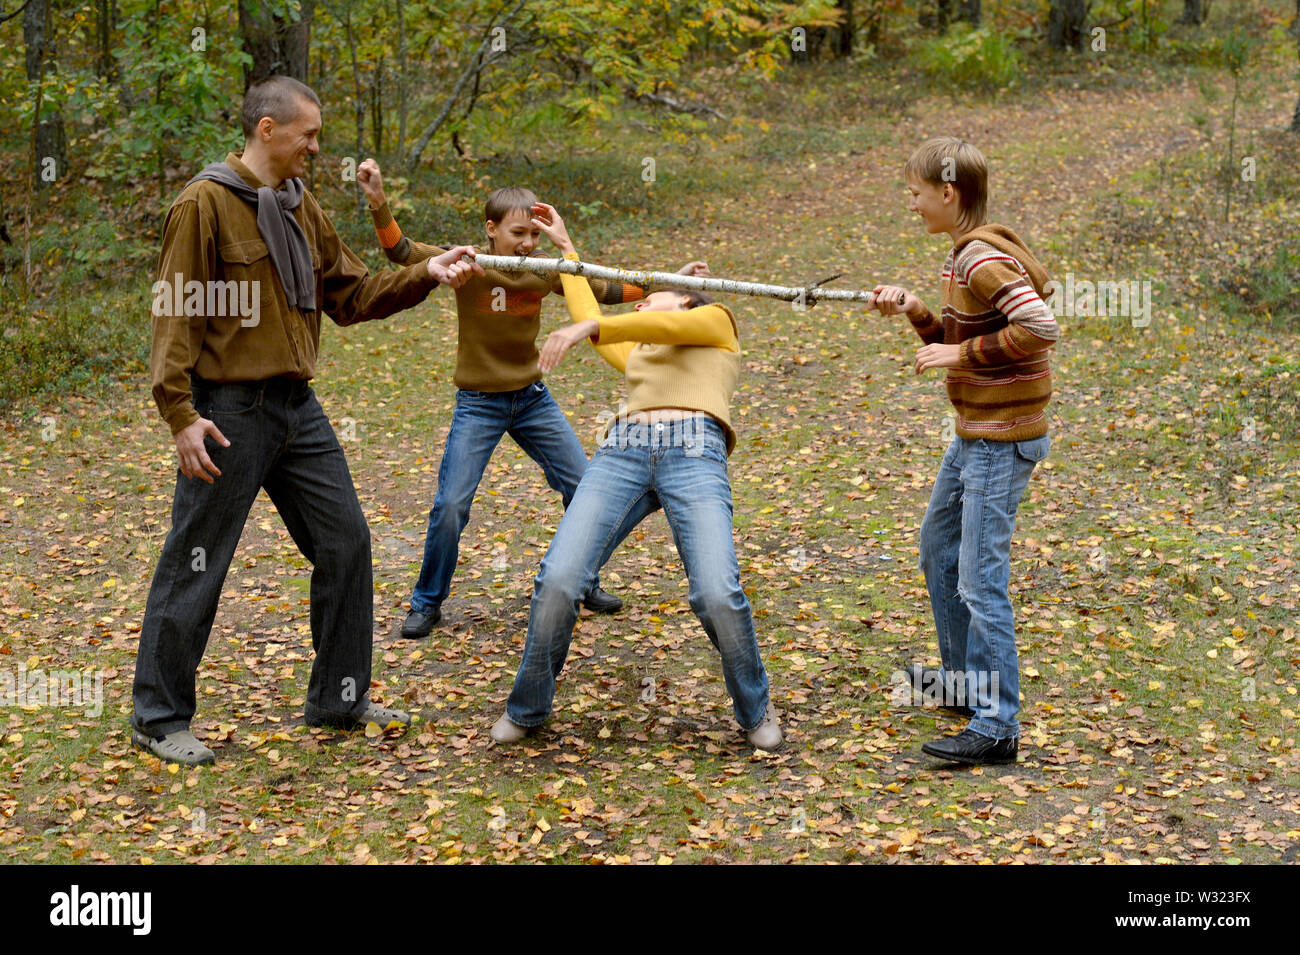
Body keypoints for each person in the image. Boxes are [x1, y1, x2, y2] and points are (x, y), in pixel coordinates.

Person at [131, 76, 484, 766]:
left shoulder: (299, 206)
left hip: (297, 409)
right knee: (196, 560)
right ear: (268, 130)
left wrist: (428, 272)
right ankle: (158, 716)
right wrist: (178, 414)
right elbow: (174, 312)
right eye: (308, 135)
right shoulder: (203, 205)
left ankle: (339, 698)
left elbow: (349, 295)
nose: (316, 148)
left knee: (346, 540)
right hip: (228, 412)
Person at [353, 161, 707, 638]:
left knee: (584, 489)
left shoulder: (543, 271)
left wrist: (667, 281)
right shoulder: (468, 263)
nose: (528, 244)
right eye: (519, 233)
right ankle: (427, 601)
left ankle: (580, 580)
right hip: (479, 402)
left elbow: (603, 286)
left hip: (531, 398)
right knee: (452, 505)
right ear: (491, 230)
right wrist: (378, 200)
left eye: (536, 235)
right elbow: (401, 251)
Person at [489, 202, 782, 751]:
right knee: (559, 580)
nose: (644, 301)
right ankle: (528, 708)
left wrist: (599, 322)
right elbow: (589, 311)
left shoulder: (715, 324)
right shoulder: (640, 353)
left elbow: (653, 320)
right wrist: (567, 249)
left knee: (716, 593)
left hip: (694, 451)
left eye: (656, 294)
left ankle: (755, 707)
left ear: (688, 296)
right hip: (623, 451)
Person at [871, 137, 1060, 766]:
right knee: (937, 545)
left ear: (948, 193)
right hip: (975, 431)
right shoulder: (962, 259)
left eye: (917, 193)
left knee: (980, 578)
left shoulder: (980, 259)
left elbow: (1038, 329)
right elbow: (962, 334)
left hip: (1000, 440)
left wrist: (960, 354)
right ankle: (965, 685)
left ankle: (997, 725)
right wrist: (921, 314)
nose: (912, 204)